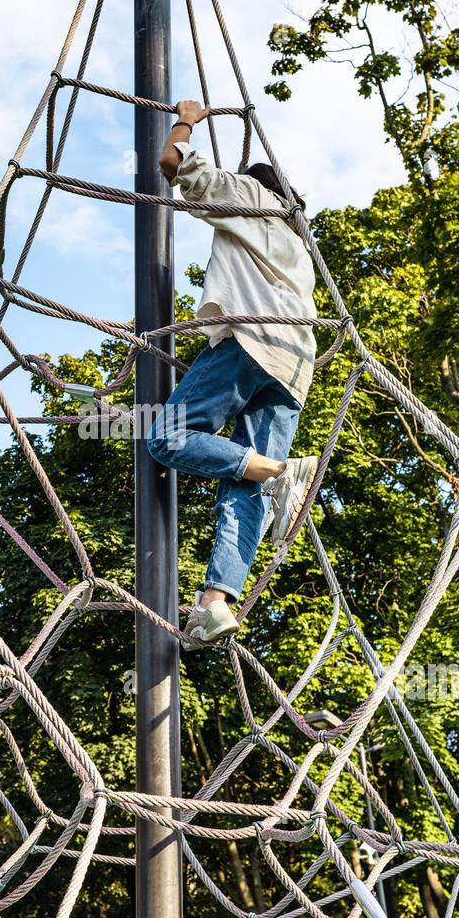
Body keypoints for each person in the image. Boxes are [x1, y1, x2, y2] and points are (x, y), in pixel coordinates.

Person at [147, 99, 319, 648]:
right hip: (295, 366)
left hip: (252, 342)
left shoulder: (249, 198)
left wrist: (187, 121)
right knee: (244, 482)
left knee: (167, 437)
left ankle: (280, 471)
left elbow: (172, 166)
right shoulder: (299, 242)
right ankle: (216, 604)